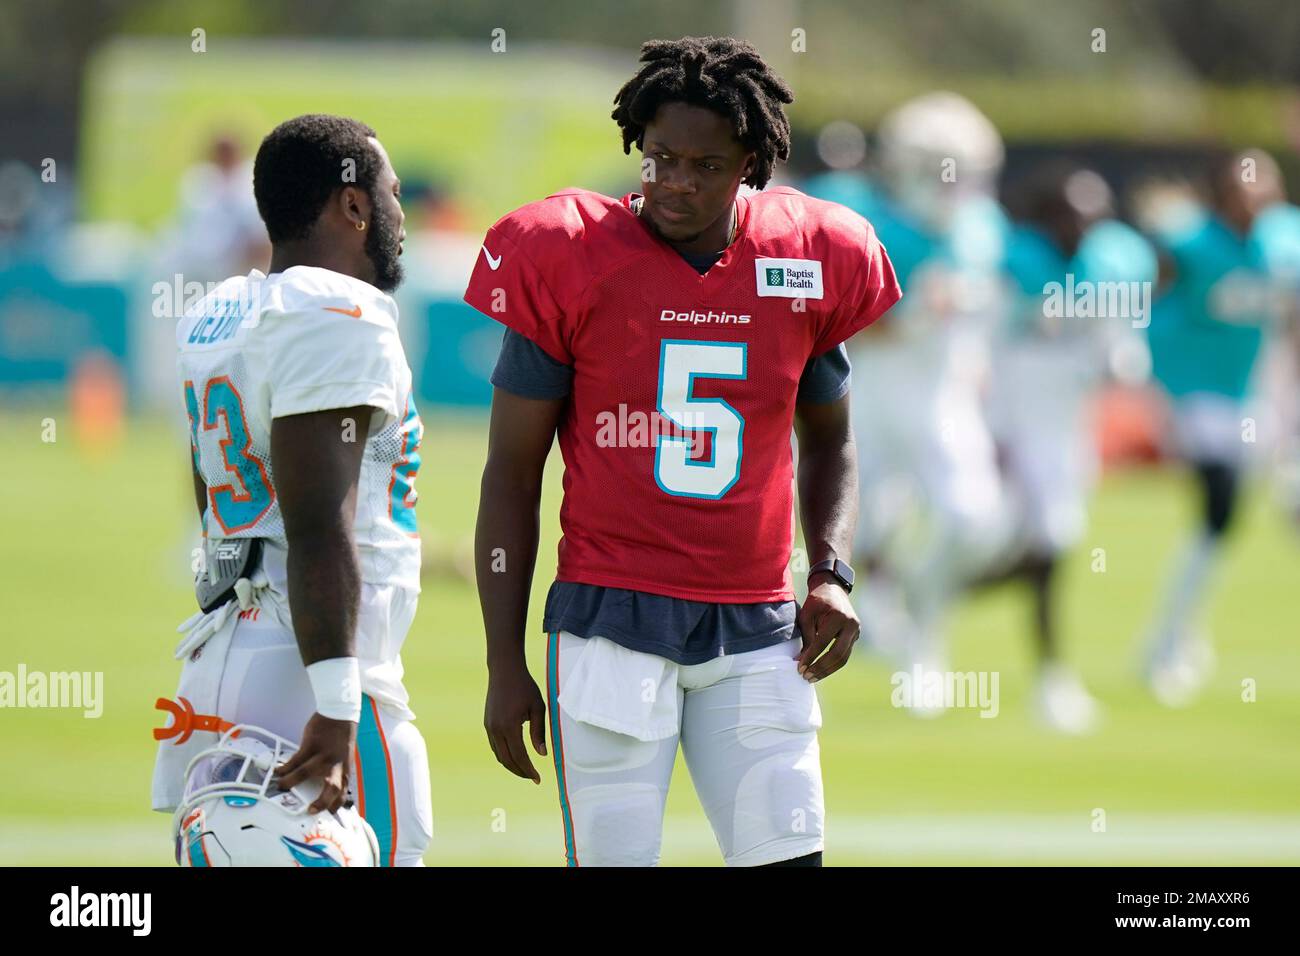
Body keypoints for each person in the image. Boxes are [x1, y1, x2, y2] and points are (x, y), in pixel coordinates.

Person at [466, 36, 900, 866]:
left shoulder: (806, 256)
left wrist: (831, 574)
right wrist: (502, 661)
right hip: (608, 620)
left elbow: (833, 441)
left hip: (761, 623)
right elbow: (511, 473)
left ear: (751, 163)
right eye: (661, 157)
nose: (677, 182)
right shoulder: (567, 252)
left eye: (706, 164)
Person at [151, 114, 433, 866]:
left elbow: (216, 512)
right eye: (393, 194)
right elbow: (318, 524)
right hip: (315, 670)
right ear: (353, 205)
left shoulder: (223, 310)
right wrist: (338, 706)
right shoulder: (334, 312)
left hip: (229, 659)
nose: (400, 216)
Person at [985, 162, 1157, 732]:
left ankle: (920, 596)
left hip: (1066, 430)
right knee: (1044, 544)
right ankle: (1052, 678)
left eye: (1091, 218)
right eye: (1068, 216)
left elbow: (1120, 352)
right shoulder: (1013, 261)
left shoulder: (1116, 261)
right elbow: (986, 348)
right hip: (1010, 425)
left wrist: (1119, 352)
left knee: (1046, 546)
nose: (1080, 229)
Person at [1143, 149, 1300, 705]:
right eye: (1242, 187)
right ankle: (1169, 640)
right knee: (1221, 500)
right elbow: (1150, 296)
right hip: (1188, 386)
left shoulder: (1286, 240)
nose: (1255, 198)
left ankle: (1176, 633)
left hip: (1253, 390)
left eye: (1264, 186)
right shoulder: (1190, 243)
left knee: (1233, 517)